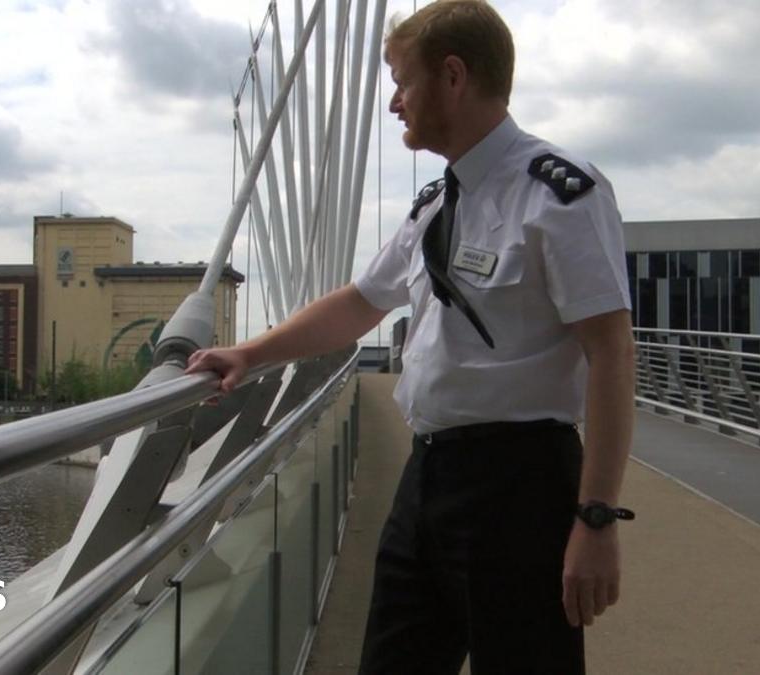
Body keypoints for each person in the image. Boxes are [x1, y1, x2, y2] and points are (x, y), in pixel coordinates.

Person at [185, 1, 635, 672]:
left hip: (520, 486)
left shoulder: (558, 195)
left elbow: (612, 352)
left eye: (402, 81)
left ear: (452, 76)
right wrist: (250, 353)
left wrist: (595, 518)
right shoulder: (434, 205)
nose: (394, 103)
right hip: (425, 477)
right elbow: (360, 304)